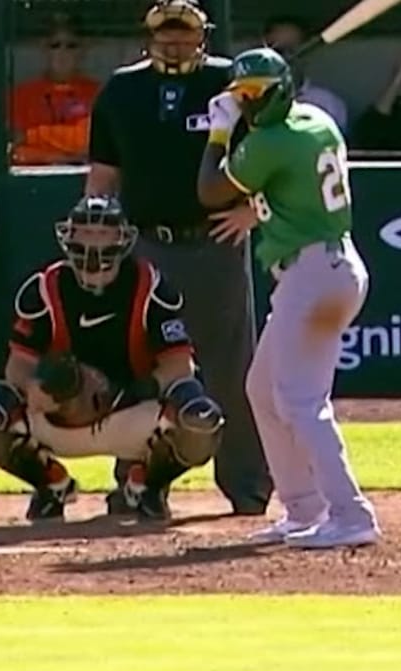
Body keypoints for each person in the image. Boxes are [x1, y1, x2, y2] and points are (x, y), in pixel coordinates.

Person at [84, 0, 270, 517]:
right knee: (141, 368)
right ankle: (138, 483)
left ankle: (248, 486)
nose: (174, 42)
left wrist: (252, 212)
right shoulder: (122, 90)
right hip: (143, 244)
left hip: (213, 243)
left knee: (230, 369)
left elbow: (274, 154)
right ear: (148, 37)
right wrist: (99, 230)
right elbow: (103, 173)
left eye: (183, 33)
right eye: (165, 33)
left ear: (202, 36)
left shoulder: (231, 86)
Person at [196, 48, 380, 549]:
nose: (250, 105)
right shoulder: (314, 121)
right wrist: (261, 210)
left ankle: (351, 514)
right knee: (261, 387)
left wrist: (219, 131)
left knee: (302, 401)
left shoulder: (273, 141)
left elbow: (210, 190)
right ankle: (304, 508)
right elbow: (291, 189)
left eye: (256, 95)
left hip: (316, 273)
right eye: (243, 97)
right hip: (324, 265)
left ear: (280, 91)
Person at [0, 194, 224, 522]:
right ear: (68, 237)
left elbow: (179, 366)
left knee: (198, 415)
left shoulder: (151, 286)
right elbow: (18, 365)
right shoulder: (43, 289)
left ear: (122, 239)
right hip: (59, 415)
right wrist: (37, 390)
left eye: (103, 235)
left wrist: (127, 393)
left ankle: (148, 485)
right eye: (85, 233)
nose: (93, 245)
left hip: (132, 415)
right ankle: (49, 483)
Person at [9, 14, 99, 166]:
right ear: (44, 48)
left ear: (83, 49)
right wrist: (64, 158)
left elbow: (89, 142)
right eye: (55, 45)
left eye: (71, 45)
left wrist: (29, 137)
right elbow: (14, 151)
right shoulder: (20, 96)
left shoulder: (99, 94)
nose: (62, 53)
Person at [260, 14, 348, 132]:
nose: (286, 58)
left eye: (293, 51)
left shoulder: (327, 104)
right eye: (278, 51)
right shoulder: (246, 103)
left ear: (307, 56)